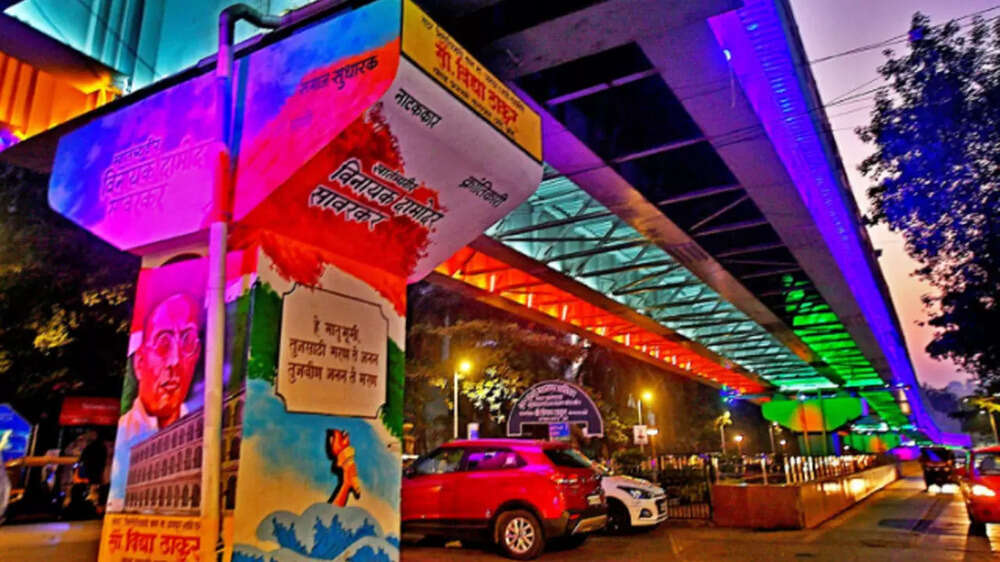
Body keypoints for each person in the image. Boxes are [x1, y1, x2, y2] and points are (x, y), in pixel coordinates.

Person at [119, 293, 202, 439]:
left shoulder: (202, 429)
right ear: (140, 362)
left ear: (196, 354)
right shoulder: (125, 433)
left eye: (187, 341)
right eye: (163, 343)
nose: (175, 360)